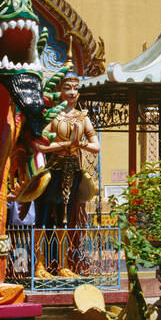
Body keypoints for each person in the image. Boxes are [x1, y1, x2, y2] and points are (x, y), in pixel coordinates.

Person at [32, 73, 100, 277]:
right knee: (43, 218)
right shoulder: (53, 117)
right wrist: (64, 144)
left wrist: (80, 144)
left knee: (65, 219)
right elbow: (39, 145)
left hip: (74, 171)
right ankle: (40, 265)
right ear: (59, 92)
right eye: (67, 88)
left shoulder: (83, 117)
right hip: (54, 170)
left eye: (75, 88)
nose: (71, 92)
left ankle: (63, 265)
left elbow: (97, 146)